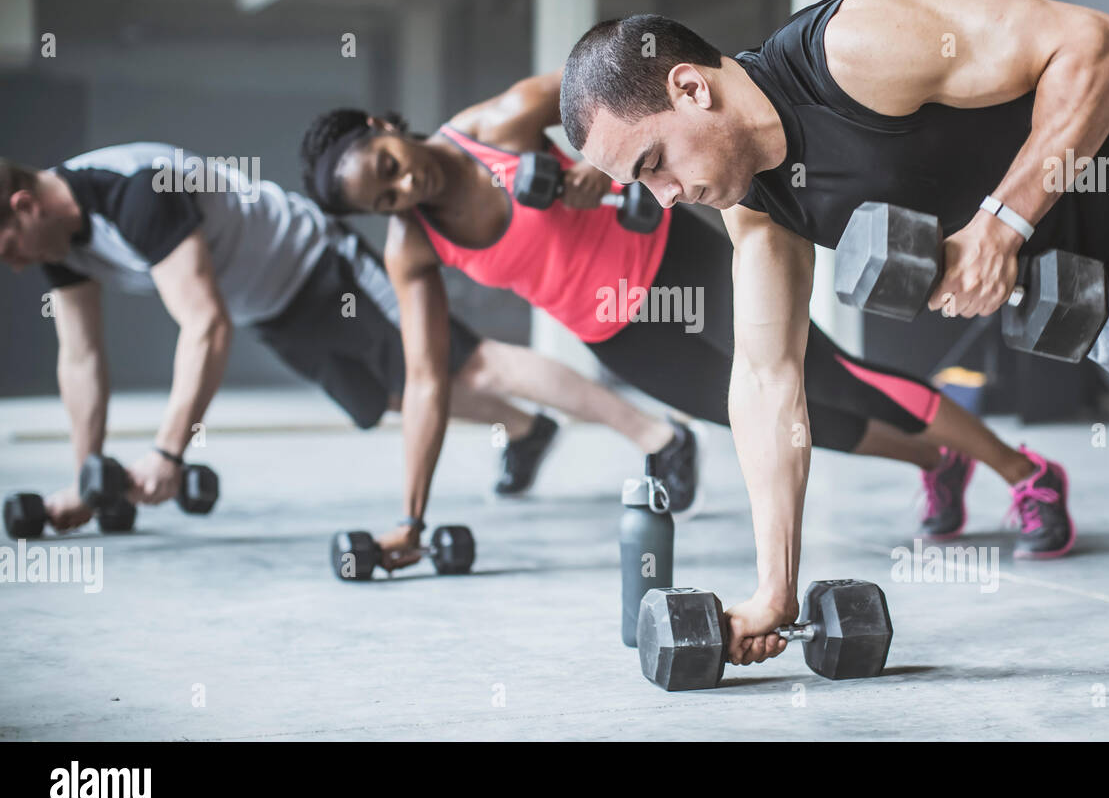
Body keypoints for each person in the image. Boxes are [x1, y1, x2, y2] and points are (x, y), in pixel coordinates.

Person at [560, 0, 1109, 666]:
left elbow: (1105, 45)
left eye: (653, 162)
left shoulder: (855, 48)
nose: (660, 198)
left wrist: (1001, 224)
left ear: (690, 87)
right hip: (1090, 294)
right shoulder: (759, 213)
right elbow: (765, 381)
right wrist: (773, 590)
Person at [299, 71, 1053, 573]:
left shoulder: (499, 124)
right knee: (792, 422)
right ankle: (937, 462)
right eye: (385, 199)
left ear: (382, 126)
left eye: (388, 164)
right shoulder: (414, 250)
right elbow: (429, 380)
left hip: (674, 261)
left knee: (826, 376)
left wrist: (602, 161)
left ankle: (1028, 476)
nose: (405, 185)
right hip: (619, 335)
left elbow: (617, 90)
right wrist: (410, 517)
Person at [0, 144, 689, 537]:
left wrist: (166, 452)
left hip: (317, 266)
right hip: (272, 307)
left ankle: (659, 437)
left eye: (5, 245)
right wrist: (88, 479)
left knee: (466, 364)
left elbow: (203, 325)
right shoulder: (57, 242)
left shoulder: (135, 194)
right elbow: (81, 355)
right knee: (385, 396)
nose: (11, 263)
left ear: (22, 206)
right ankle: (527, 431)